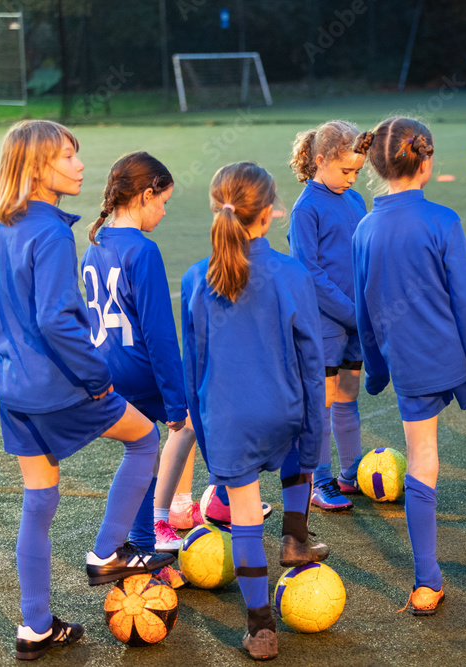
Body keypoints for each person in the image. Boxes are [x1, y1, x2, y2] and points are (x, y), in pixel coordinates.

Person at [0, 120, 174, 661]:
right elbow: (57, 319)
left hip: (15, 392)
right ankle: (107, 551)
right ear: (38, 168)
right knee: (145, 438)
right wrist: (97, 376)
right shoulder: (53, 231)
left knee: (39, 502)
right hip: (63, 386)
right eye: (68, 156)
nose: (80, 165)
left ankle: (35, 626)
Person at [353, 117, 466, 616]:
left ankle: (427, 584)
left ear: (377, 166)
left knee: (422, 465)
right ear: (426, 161)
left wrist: (376, 371)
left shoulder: (364, 228)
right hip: (455, 354)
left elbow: (364, 310)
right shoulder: (443, 221)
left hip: (407, 364)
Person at [180, 162, 328, 660]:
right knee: (294, 448)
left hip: (226, 421)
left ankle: (260, 627)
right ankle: (295, 537)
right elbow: (312, 363)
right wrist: (313, 438)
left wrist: (206, 433)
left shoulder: (195, 279)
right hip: (281, 412)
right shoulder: (291, 273)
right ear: (268, 215)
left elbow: (191, 368)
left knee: (244, 516)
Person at [82, 152, 197, 576]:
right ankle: (150, 542)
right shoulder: (143, 251)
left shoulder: (93, 248)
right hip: (140, 372)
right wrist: (175, 400)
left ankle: (144, 549)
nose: (164, 212)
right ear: (145, 195)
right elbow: (160, 336)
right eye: (162, 201)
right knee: (169, 441)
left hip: (106, 372)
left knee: (141, 456)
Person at [288, 120, 367, 512]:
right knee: (324, 400)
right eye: (345, 170)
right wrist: (352, 313)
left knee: (349, 394)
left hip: (357, 321)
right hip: (325, 324)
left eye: (357, 171)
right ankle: (320, 480)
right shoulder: (306, 209)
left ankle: (350, 475)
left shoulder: (355, 201)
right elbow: (310, 272)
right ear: (320, 160)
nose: (352, 179)